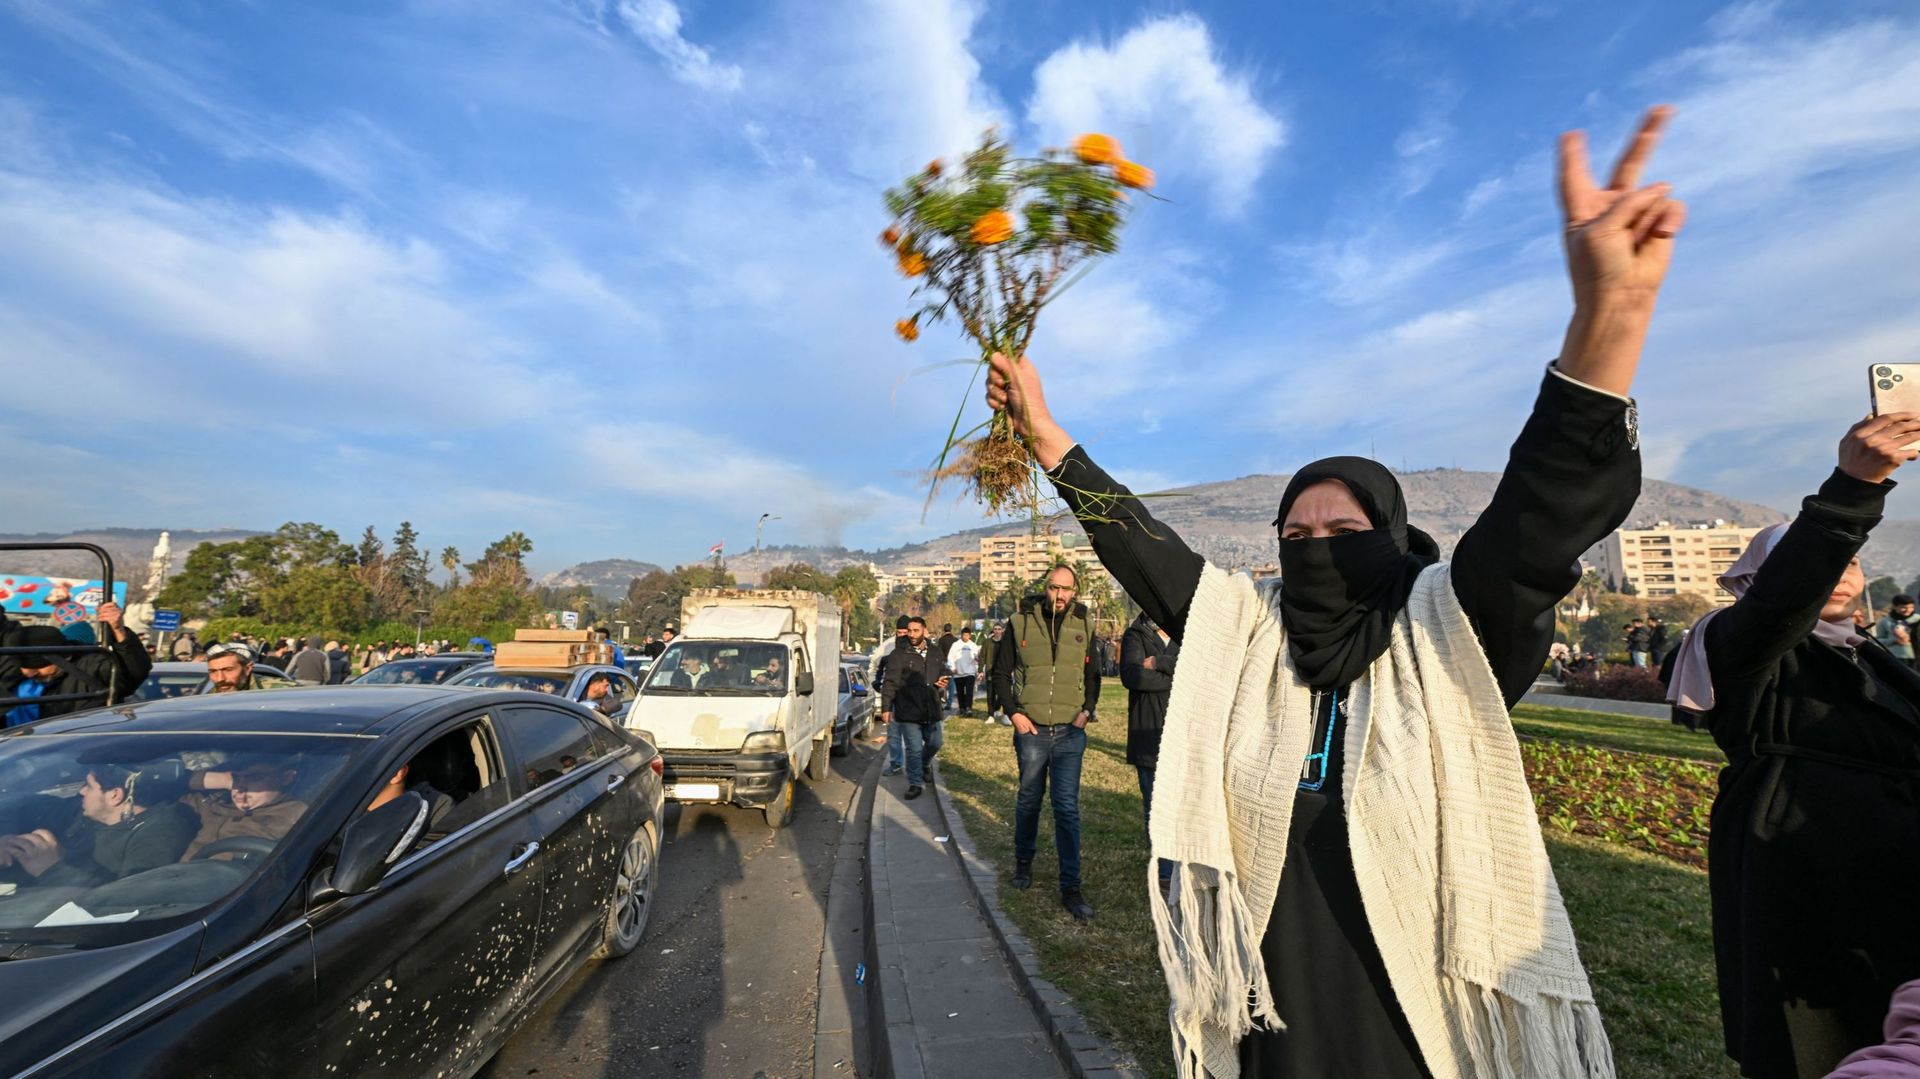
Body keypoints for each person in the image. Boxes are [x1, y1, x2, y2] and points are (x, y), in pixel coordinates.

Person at [985, 105, 1682, 1075]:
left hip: (1423, 1021)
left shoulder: (1448, 628)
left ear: (1394, 540)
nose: (1315, 550)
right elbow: (1143, 547)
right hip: (1274, 1014)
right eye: (1295, 535)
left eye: (1344, 535)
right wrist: (1048, 435)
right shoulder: (1251, 634)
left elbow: (1542, 514)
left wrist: (1611, 319)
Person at [1665, 414, 1920, 1078]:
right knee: (1820, 1039)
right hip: (1806, 873)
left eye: (1852, 559)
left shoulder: (1875, 656)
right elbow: (1785, 601)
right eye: (1825, 558)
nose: (1840, 570)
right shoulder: (1741, 645)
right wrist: (1854, 489)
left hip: (1895, 873)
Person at [990, 564, 1102, 922]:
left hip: (1071, 731)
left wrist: (1087, 711)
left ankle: (1071, 886)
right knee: (1028, 800)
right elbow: (1000, 672)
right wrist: (1014, 713)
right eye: (1054, 588)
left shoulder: (1084, 623)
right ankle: (1024, 863)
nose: (1060, 596)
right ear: (1045, 587)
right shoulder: (1020, 622)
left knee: (1066, 808)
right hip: (1032, 730)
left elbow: (1092, 673)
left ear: (1075, 591)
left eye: (1067, 589)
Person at [0, 761, 197, 886]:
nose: (81, 792)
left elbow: (129, 902)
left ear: (114, 795)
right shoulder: (81, 812)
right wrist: (9, 841)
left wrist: (52, 869)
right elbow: (20, 806)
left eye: (89, 786)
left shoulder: (161, 833)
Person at [2, 602, 152, 726]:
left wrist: (118, 630)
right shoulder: (13, 673)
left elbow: (133, 671)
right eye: (23, 666)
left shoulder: (90, 667)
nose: (28, 673)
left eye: (37, 666)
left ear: (63, 658)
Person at [1120, 610, 1177, 886]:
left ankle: (1183, 866)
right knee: (1154, 807)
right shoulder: (1135, 634)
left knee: (1182, 806)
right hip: (1148, 738)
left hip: (1182, 737)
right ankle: (1165, 871)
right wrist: (1177, 675)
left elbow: (1203, 669)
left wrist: (1158, 662)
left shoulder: (1186, 632)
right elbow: (1134, 677)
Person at [182, 756, 310, 859]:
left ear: (286, 778)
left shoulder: (295, 816)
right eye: (236, 778)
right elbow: (172, 782)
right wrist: (223, 780)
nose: (240, 788)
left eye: (256, 778)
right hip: (174, 880)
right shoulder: (213, 802)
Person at [880, 616, 948, 800]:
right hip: (907, 709)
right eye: (909, 630)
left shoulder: (935, 652)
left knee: (935, 742)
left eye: (916, 630)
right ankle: (915, 783)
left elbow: (943, 669)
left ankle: (925, 763)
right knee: (914, 748)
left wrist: (943, 679)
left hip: (931, 708)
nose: (911, 634)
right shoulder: (898, 654)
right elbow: (890, 682)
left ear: (924, 631)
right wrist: (886, 708)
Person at [871, 617, 911, 772]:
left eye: (905, 632)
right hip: (893, 697)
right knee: (893, 734)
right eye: (898, 632)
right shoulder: (887, 646)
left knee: (913, 736)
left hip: (912, 698)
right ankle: (896, 763)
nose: (901, 635)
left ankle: (921, 765)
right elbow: (875, 665)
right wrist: (876, 683)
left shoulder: (920, 646)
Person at [1875, 594, 1920, 670]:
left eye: (1911, 607)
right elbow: (1878, 641)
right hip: (1895, 658)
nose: (1908, 610)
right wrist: (1894, 641)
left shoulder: (1918, 619)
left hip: (1916, 658)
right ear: (1895, 607)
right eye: (1904, 607)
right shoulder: (1885, 621)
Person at [979, 622, 1010, 724]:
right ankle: (991, 715)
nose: (997, 631)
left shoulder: (1006, 642)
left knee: (1004, 694)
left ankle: (1005, 715)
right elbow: (982, 657)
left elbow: (1010, 656)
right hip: (990, 670)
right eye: (995, 629)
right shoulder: (987, 642)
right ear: (993, 630)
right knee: (990, 694)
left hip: (1003, 671)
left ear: (1002, 630)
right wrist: (980, 670)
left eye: (999, 629)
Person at [946, 626, 981, 716]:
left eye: (967, 635)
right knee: (960, 692)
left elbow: (977, 658)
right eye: (964, 635)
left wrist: (977, 669)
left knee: (969, 691)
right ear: (961, 635)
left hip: (970, 672)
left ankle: (969, 708)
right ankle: (962, 708)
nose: (965, 637)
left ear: (969, 636)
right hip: (958, 673)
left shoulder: (973, 645)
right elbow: (950, 657)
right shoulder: (955, 645)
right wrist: (952, 667)